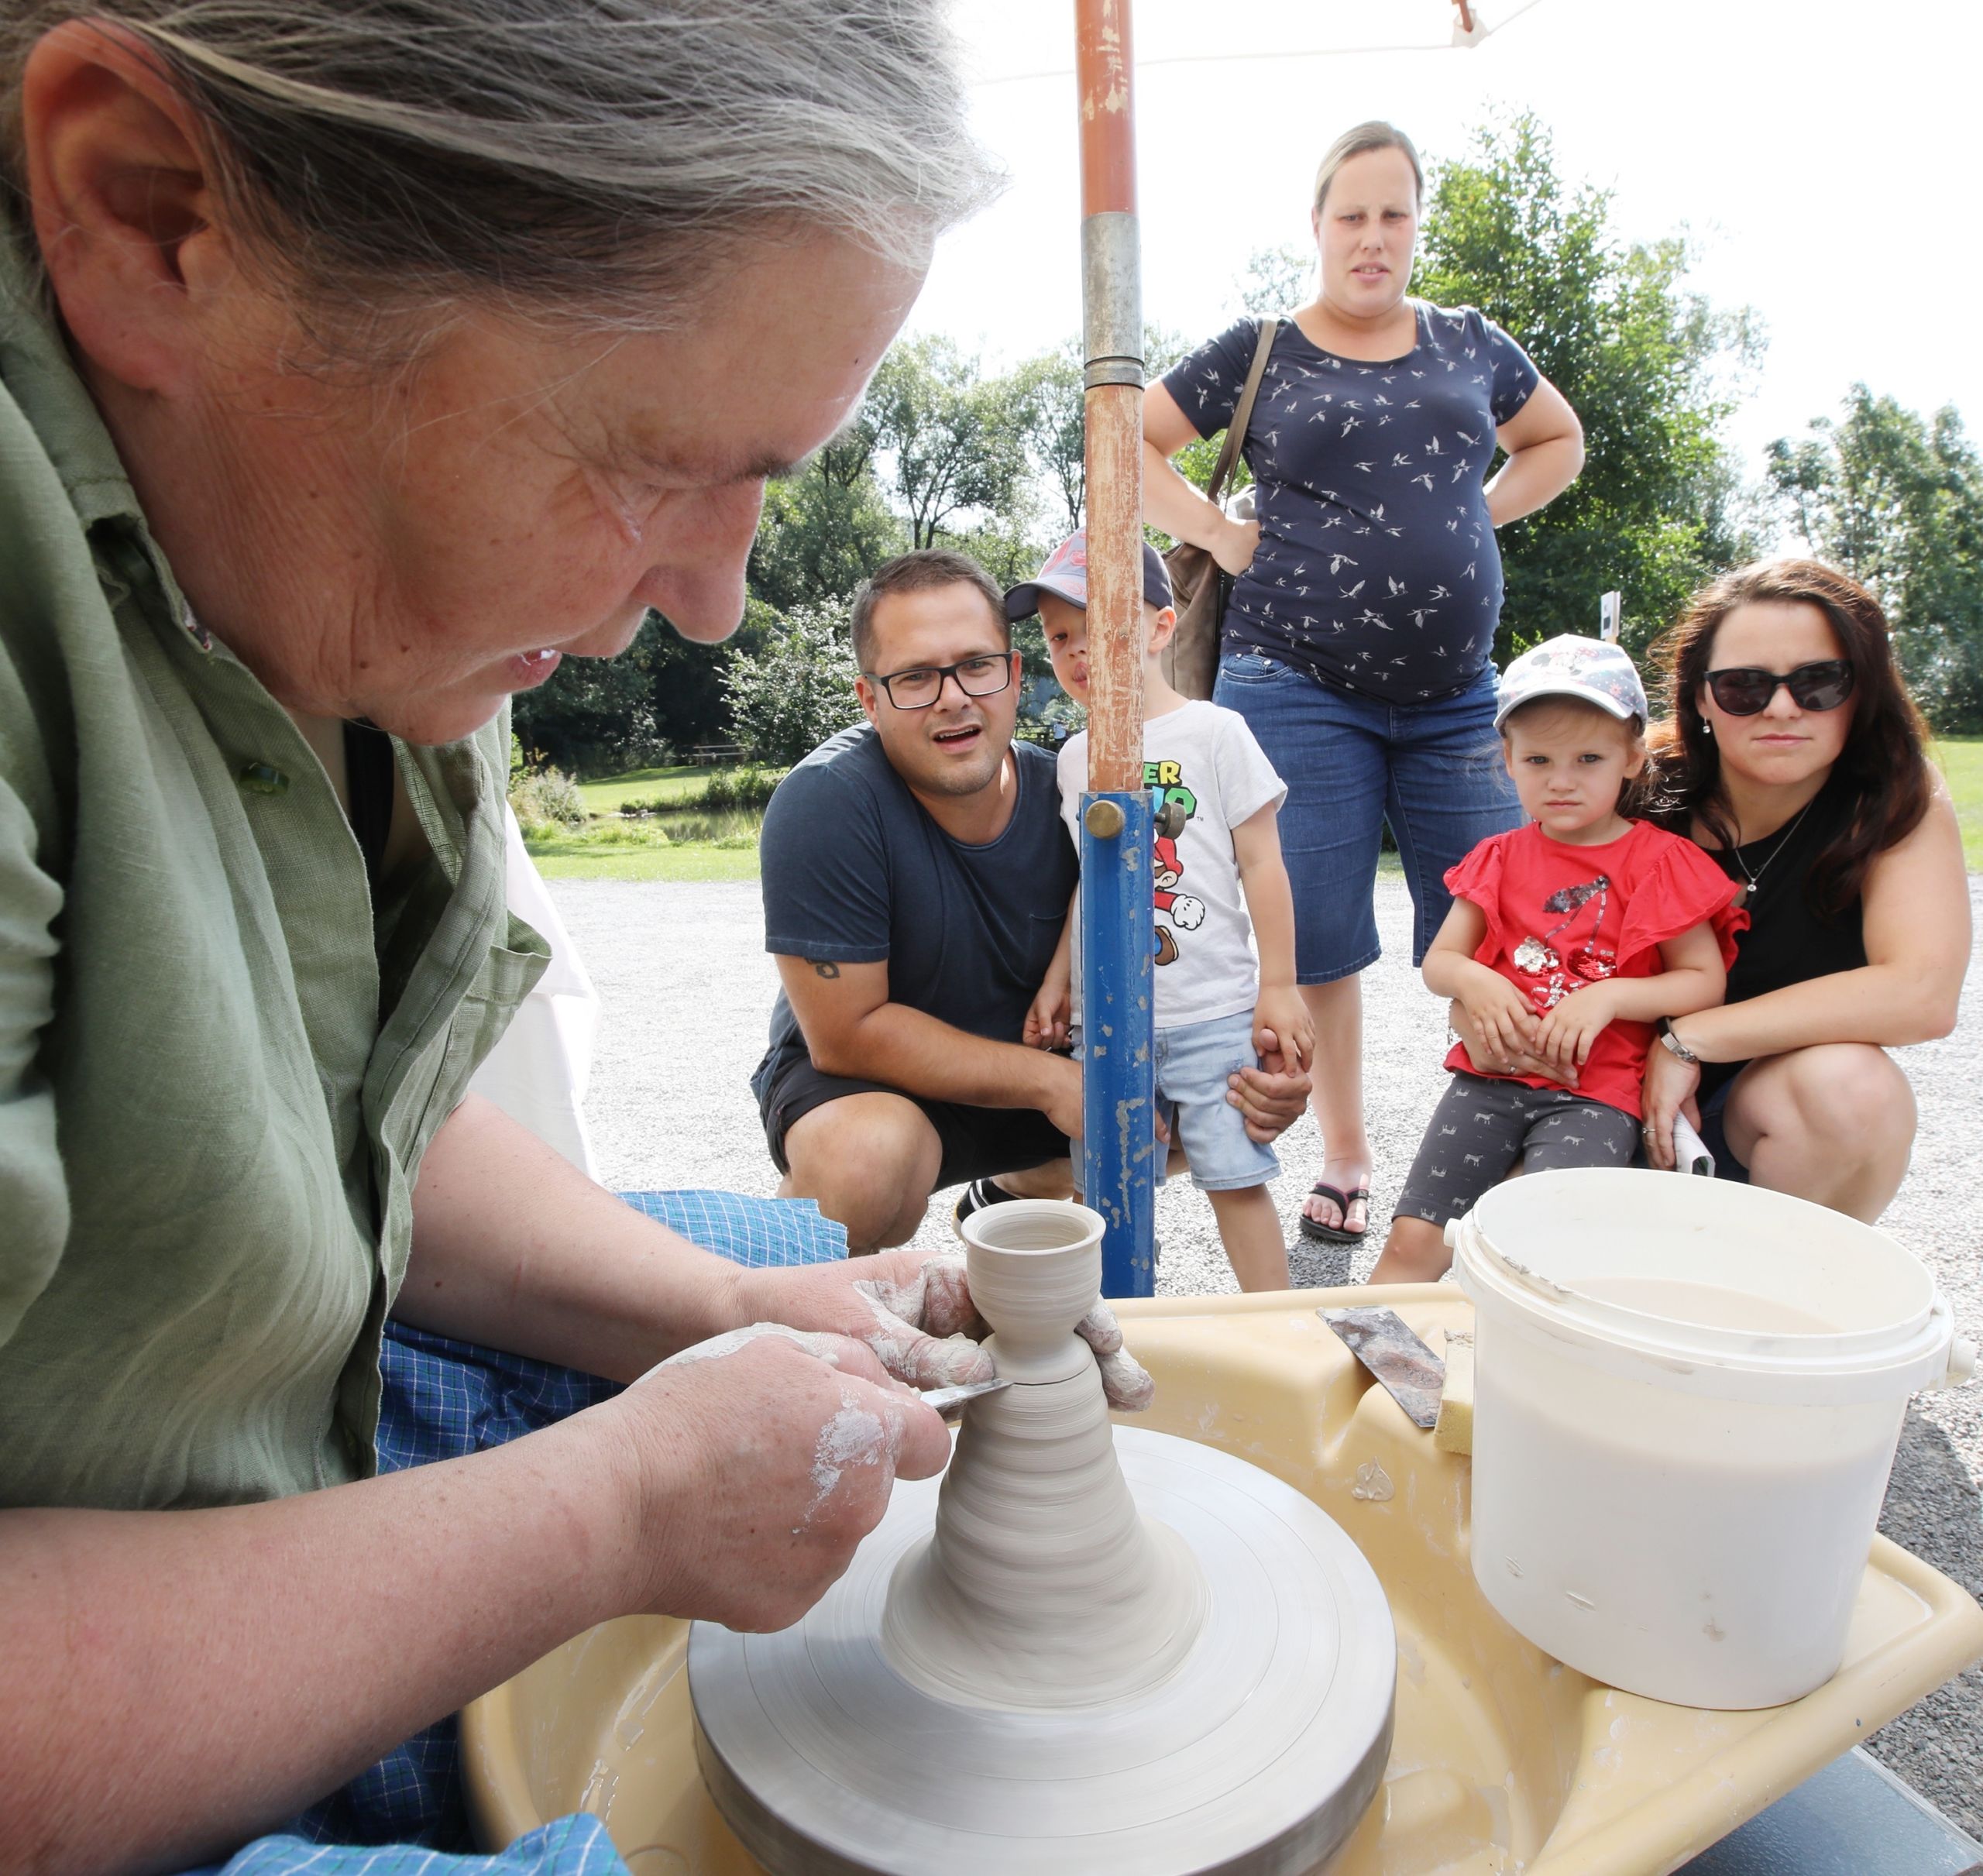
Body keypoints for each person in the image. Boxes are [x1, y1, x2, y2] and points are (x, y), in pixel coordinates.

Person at [0, 6, 1157, 1870]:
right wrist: (610, 1511)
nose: (709, 601)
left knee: (795, 1265)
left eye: (763, 476)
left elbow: (335, 1115)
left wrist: (734, 1316)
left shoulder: (340, 561)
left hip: (247, 1411)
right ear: (150, 222)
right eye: (646, 459)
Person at [1142, 119, 1585, 1251]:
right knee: (1321, 941)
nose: (1374, 237)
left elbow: (1557, 443)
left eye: (1396, 213)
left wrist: (1465, 519)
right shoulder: (1261, 348)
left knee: (1498, 928)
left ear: (1416, 225)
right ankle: (1344, 1156)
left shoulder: (1471, 344)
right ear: (1319, 227)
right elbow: (1122, 437)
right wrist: (1214, 531)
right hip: (1294, 682)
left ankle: (1507, 1166)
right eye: (1354, 215)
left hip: (1454, 701)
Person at [754, 548, 1311, 1252]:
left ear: (1016, 676)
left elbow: (1199, 944)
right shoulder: (826, 801)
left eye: (976, 665)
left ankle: (1011, 1191)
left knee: (1175, 1112)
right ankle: (784, 1321)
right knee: (869, 1159)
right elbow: (846, 1032)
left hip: (1028, 1078)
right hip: (878, 1084)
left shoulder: (1079, 792)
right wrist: (1053, 1085)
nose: (953, 695)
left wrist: (1255, 1075)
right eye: (916, 677)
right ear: (869, 699)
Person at [1370, 636, 1742, 1283]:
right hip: (1487, 1079)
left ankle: (1503, 1377)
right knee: (1413, 1240)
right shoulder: (1499, 856)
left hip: (1595, 1096)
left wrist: (1610, 995)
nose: (1561, 780)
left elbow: (1704, 981)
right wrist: (1475, 980)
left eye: (1588, 758)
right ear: (1507, 759)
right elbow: (1441, 963)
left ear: (1631, 757)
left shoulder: (1659, 861)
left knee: (1540, 1252)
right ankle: (1355, 1374)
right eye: (1538, 758)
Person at [1015, 531, 1315, 1291]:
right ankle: (1106, 1329)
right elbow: (1090, 878)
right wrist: (1059, 982)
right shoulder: (1077, 755)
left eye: (1099, 630)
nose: (1078, 652)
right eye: (1059, 637)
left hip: (1209, 1008)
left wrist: (1277, 985)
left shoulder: (1215, 732)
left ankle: (1275, 1326)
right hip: (1107, 1016)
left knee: (1233, 1175)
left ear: (1157, 626)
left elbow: (1262, 862)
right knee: (1104, 1185)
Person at [1631, 562, 1971, 1216]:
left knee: (1853, 1092)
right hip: (1606, 1096)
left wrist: (1688, 1041)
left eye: (1818, 681)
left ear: (1862, 690)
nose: (1781, 707)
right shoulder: (1630, 787)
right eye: (1743, 686)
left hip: (1761, 1110)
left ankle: (1785, 1301)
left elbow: (1923, 993)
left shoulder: (1894, 795)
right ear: (1699, 697)